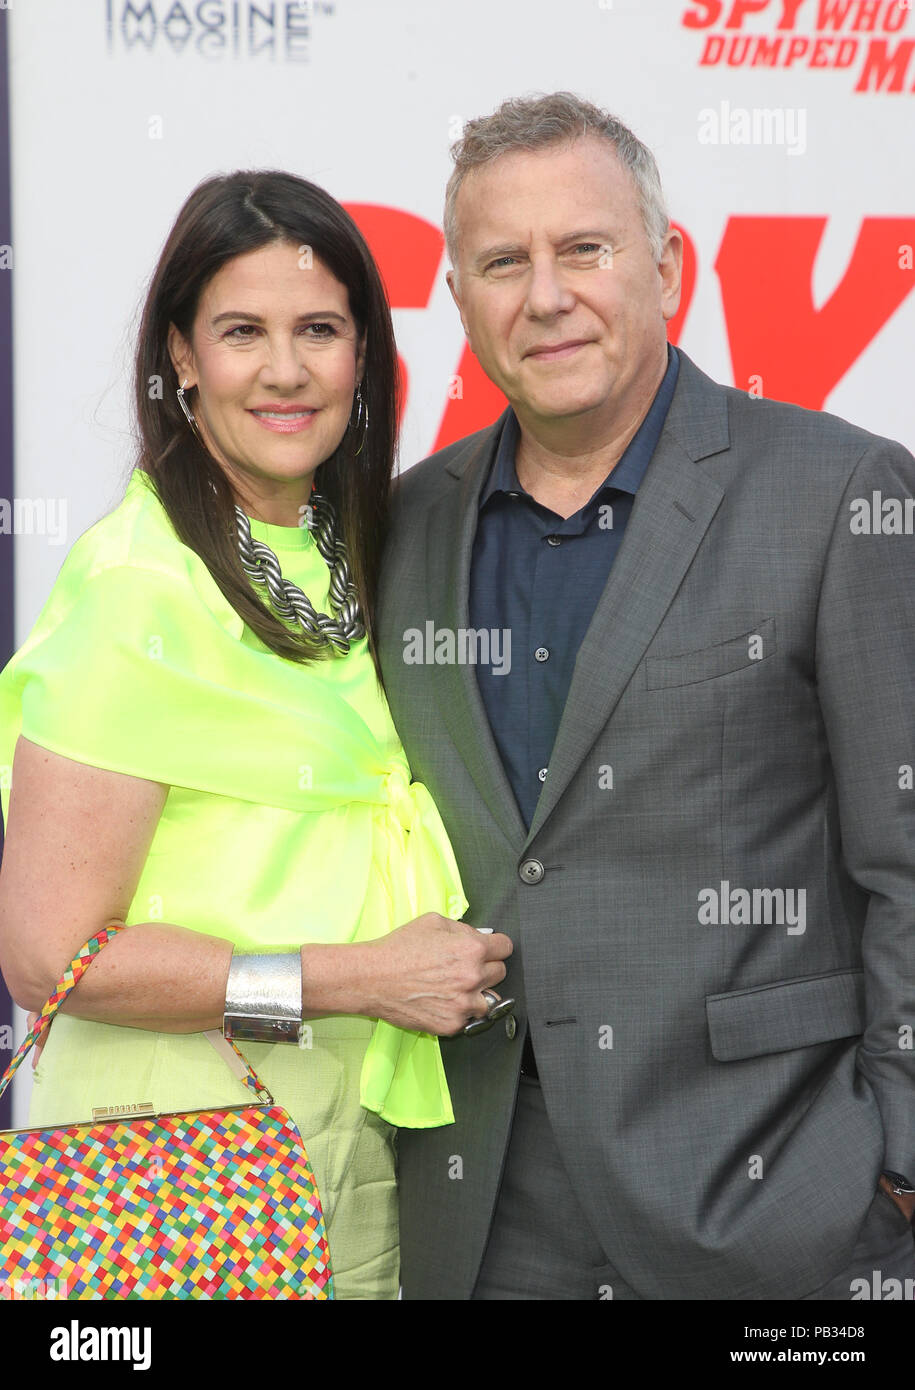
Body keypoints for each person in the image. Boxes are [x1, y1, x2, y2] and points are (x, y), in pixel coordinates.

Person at [377, 92, 915, 1300]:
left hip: (771, 1213)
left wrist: (897, 1168)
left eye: (585, 248)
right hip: (479, 1224)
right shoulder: (401, 528)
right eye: (503, 262)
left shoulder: (840, 495)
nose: (547, 295)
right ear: (459, 301)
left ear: (669, 264)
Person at [0, 170, 511, 1301]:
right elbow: (50, 955)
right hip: (171, 1159)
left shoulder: (350, 550)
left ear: (364, 354)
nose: (285, 370)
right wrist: (361, 978)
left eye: (319, 329)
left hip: (336, 1135)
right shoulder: (141, 585)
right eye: (242, 331)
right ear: (182, 354)